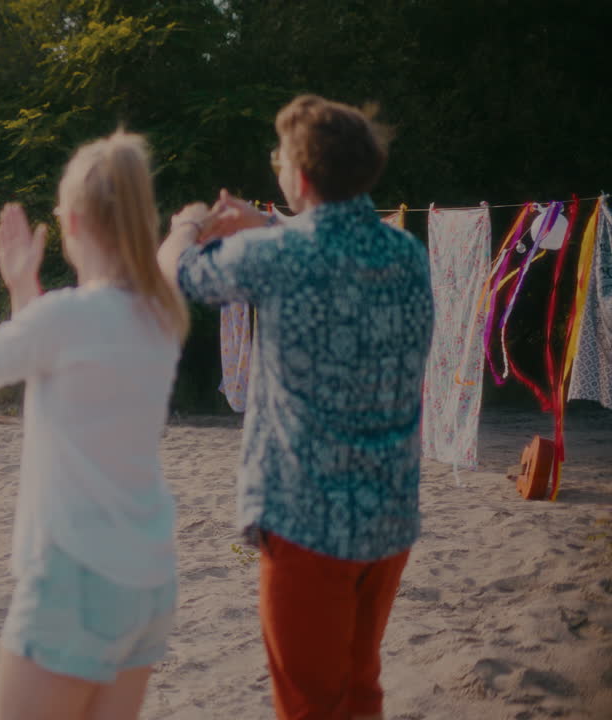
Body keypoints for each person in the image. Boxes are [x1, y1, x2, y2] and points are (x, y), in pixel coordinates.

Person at [158, 95, 434, 720]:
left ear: (301, 177)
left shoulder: (280, 259)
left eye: (281, 157)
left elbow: (176, 273)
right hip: (390, 516)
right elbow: (330, 244)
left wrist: (189, 223)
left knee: (309, 703)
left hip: (308, 522)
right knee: (361, 687)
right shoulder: (405, 254)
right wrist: (266, 221)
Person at [0, 130, 189, 719]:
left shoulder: (72, 316)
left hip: (75, 575)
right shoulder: (158, 314)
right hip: (147, 577)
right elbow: (54, 365)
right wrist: (22, 284)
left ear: (71, 224)